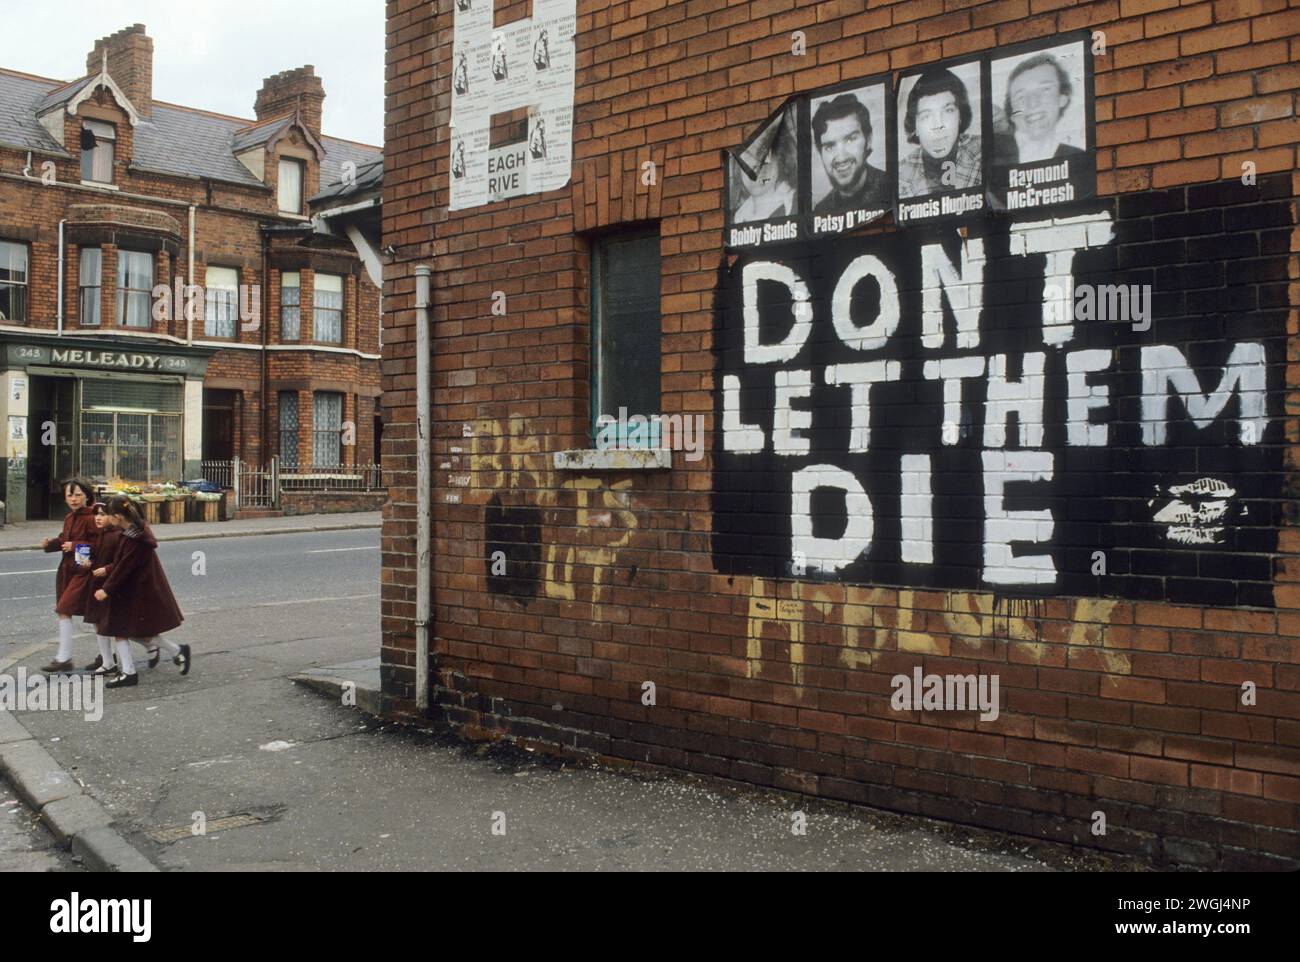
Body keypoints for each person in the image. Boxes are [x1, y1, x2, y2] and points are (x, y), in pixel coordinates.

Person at [93, 496, 190, 689]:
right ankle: (176, 651)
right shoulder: (132, 532)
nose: (108, 520)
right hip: (136, 589)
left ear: (118, 516)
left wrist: (106, 589)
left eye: (109, 516)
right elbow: (123, 564)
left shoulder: (133, 538)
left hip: (137, 591)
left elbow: (124, 567)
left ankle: (129, 672)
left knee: (122, 630)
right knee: (128, 631)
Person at [83, 503, 160, 676]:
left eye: (104, 514)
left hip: (114, 586)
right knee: (102, 625)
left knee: (119, 629)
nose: (99, 518)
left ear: (116, 517)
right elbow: (104, 556)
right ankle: (111, 662)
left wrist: (107, 574)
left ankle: (135, 663)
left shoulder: (122, 536)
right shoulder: (104, 534)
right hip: (103, 585)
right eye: (96, 514)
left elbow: (122, 564)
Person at [40, 478, 98, 674]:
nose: (74, 499)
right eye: (69, 495)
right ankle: (103, 656)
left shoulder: (92, 517)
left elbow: (100, 546)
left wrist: (74, 546)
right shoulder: (69, 518)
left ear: (87, 496)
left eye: (78, 495)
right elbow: (65, 539)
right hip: (68, 570)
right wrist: (51, 544)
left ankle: (66, 658)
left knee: (68, 609)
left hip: (85, 571)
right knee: (73, 611)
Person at [898, 67, 982, 199]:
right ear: (915, 126)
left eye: (948, 111)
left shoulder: (983, 152)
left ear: (960, 116)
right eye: (926, 116)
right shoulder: (900, 176)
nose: (938, 125)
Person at [996, 52, 1084, 165]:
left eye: (1044, 90)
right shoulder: (990, 156)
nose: (1032, 104)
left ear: (1062, 98)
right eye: (1021, 97)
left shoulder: (1078, 159)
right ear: (1011, 110)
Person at [812, 94, 890, 216]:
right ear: (820, 152)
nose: (841, 158)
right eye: (830, 146)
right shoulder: (820, 212)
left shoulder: (893, 189)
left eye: (850, 140)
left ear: (868, 140)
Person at [733, 135, 797, 223]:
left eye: (763, 155)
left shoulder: (796, 204)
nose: (756, 166)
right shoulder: (737, 217)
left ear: (779, 160)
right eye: (748, 156)